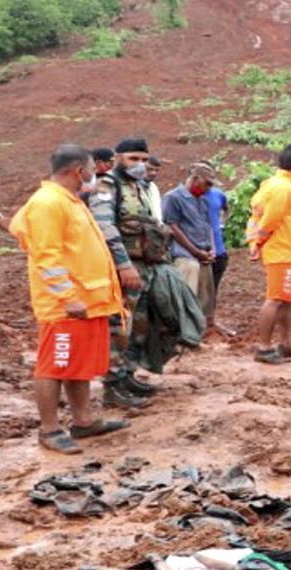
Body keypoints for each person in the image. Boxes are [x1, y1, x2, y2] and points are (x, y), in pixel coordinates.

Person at [11, 145, 130, 454]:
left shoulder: (68, 200)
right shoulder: (48, 202)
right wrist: (66, 296)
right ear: (79, 170)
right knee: (54, 365)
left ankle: (83, 421)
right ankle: (49, 430)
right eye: (92, 169)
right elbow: (46, 256)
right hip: (66, 305)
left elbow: (19, 230)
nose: (95, 174)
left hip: (87, 300)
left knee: (78, 365)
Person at [89, 137, 178, 408]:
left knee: (138, 326)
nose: (139, 164)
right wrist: (123, 264)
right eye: (133, 159)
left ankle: (127, 375)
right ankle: (112, 386)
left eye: (143, 159)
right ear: (117, 157)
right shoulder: (107, 184)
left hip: (145, 266)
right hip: (122, 269)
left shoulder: (138, 186)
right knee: (118, 328)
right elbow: (105, 227)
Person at [247, 143, 291, 364]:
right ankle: (264, 348)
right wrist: (257, 242)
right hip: (283, 252)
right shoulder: (282, 188)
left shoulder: (280, 185)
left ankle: (286, 343)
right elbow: (269, 220)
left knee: (288, 300)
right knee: (276, 299)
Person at [163, 163, 218, 325]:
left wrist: (212, 249)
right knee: (186, 299)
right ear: (195, 179)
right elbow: (172, 228)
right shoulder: (173, 198)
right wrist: (195, 252)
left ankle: (197, 334)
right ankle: (182, 337)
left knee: (203, 299)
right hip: (185, 256)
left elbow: (208, 227)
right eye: (206, 183)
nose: (209, 188)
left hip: (202, 255)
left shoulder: (203, 201)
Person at [204, 183, 230, 323]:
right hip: (197, 250)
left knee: (213, 287)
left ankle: (210, 321)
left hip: (218, 250)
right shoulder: (185, 197)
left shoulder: (218, 194)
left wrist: (221, 224)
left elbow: (226, 209)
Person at [144, 156, 164, 222]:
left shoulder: (153, 187)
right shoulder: (132, 186)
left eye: (156, 170)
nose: (153, 173)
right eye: (149, 169)